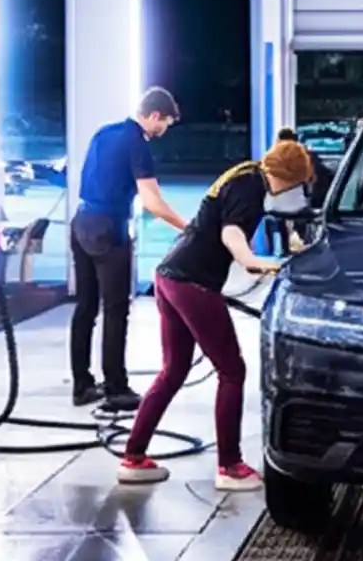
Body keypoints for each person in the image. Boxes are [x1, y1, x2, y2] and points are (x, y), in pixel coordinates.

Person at [116, 138, 315, 489]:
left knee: (174, 370)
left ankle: (134, 458)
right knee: (232, 370)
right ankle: (230, 466)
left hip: (169, 275)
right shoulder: (252, 188)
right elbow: (231, 232)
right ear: (288, 177)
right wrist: (251, 260)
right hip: (193, 283)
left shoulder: (244, 174)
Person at [70, 87, 189, 414]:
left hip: (81, 223)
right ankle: (116, 389)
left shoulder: (104, 133)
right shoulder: (138, 143)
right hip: (108, 229)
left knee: (86, 307)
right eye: (165, 123)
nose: (164, 130)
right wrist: (188, 227)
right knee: (116, 309)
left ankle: (81, 385)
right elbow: (152, 201)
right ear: (154, 116)